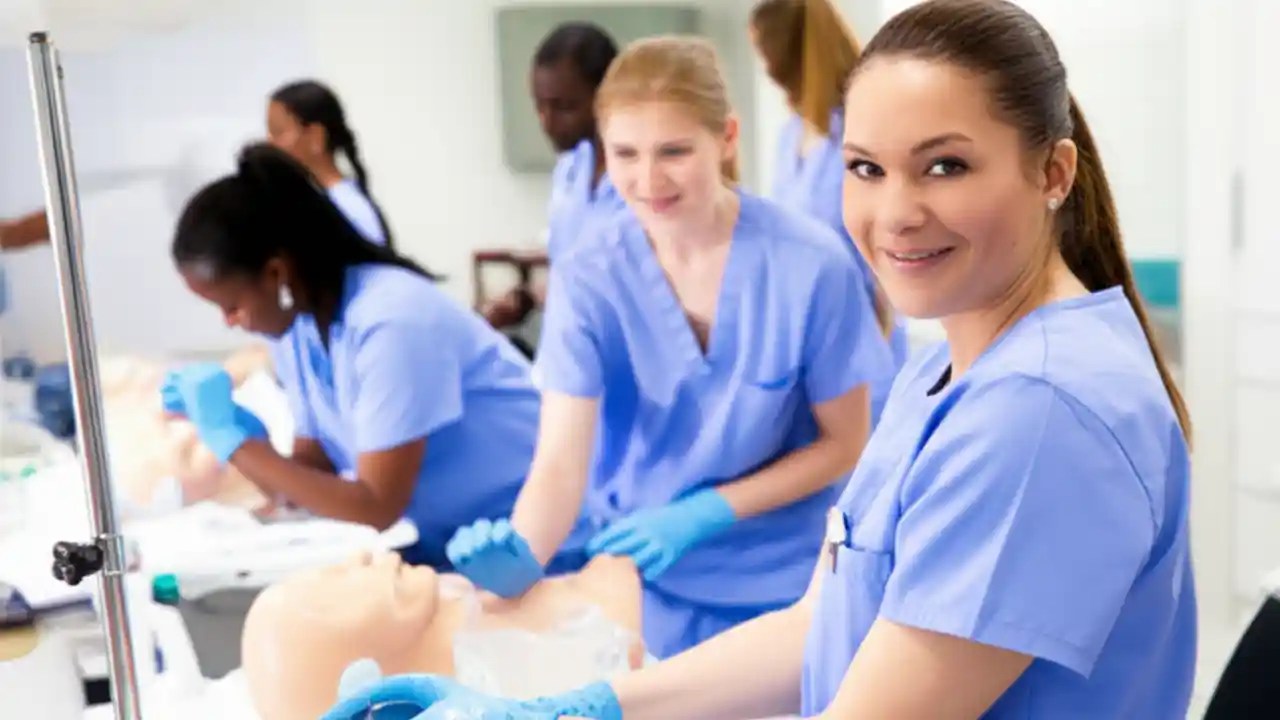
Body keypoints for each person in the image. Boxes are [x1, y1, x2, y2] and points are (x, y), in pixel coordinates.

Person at [320, 0, 1198, 718]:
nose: (894, 214)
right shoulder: (945, 375)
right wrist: (580, 707)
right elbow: (819, 631)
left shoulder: (1039, 414)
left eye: (945, 167)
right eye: (865, 168)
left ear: (1053, 173)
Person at [445, 35, 891, 662]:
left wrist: (709, 510)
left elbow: (844, 442)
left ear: (727, 138)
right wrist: (522, 556)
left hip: (796, 583)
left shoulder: (810, 264)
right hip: (650, 585)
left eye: (674, 151)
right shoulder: (591, 272)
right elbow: (559, 465)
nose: (648, 179)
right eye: (625, 153)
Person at [164, 143, 584, 570]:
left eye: (231, 305)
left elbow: (376, 504)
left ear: (276, 275)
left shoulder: (391, 321)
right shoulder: (301, 330)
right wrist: (244, 438)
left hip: (546, 542)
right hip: (454, 550)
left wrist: (235, 444)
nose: (229, 322)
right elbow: (308, 483)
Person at [750, 0, 908, 423]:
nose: (763, 70)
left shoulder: (858, 134)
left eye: (763, 55)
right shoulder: (791, 136)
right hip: (807, 339)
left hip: (866, 334)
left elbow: (887, 239)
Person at [533, 22, 625, 262]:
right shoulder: (569, 171)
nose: (547, 122)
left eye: (564, 107)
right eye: (540, 106)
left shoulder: (643, 184)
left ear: (607, 96)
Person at [266, 80, 396, 248]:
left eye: (278, 132)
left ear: (315, 136)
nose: (269, 143)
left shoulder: (346, 208)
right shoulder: (320, 202)